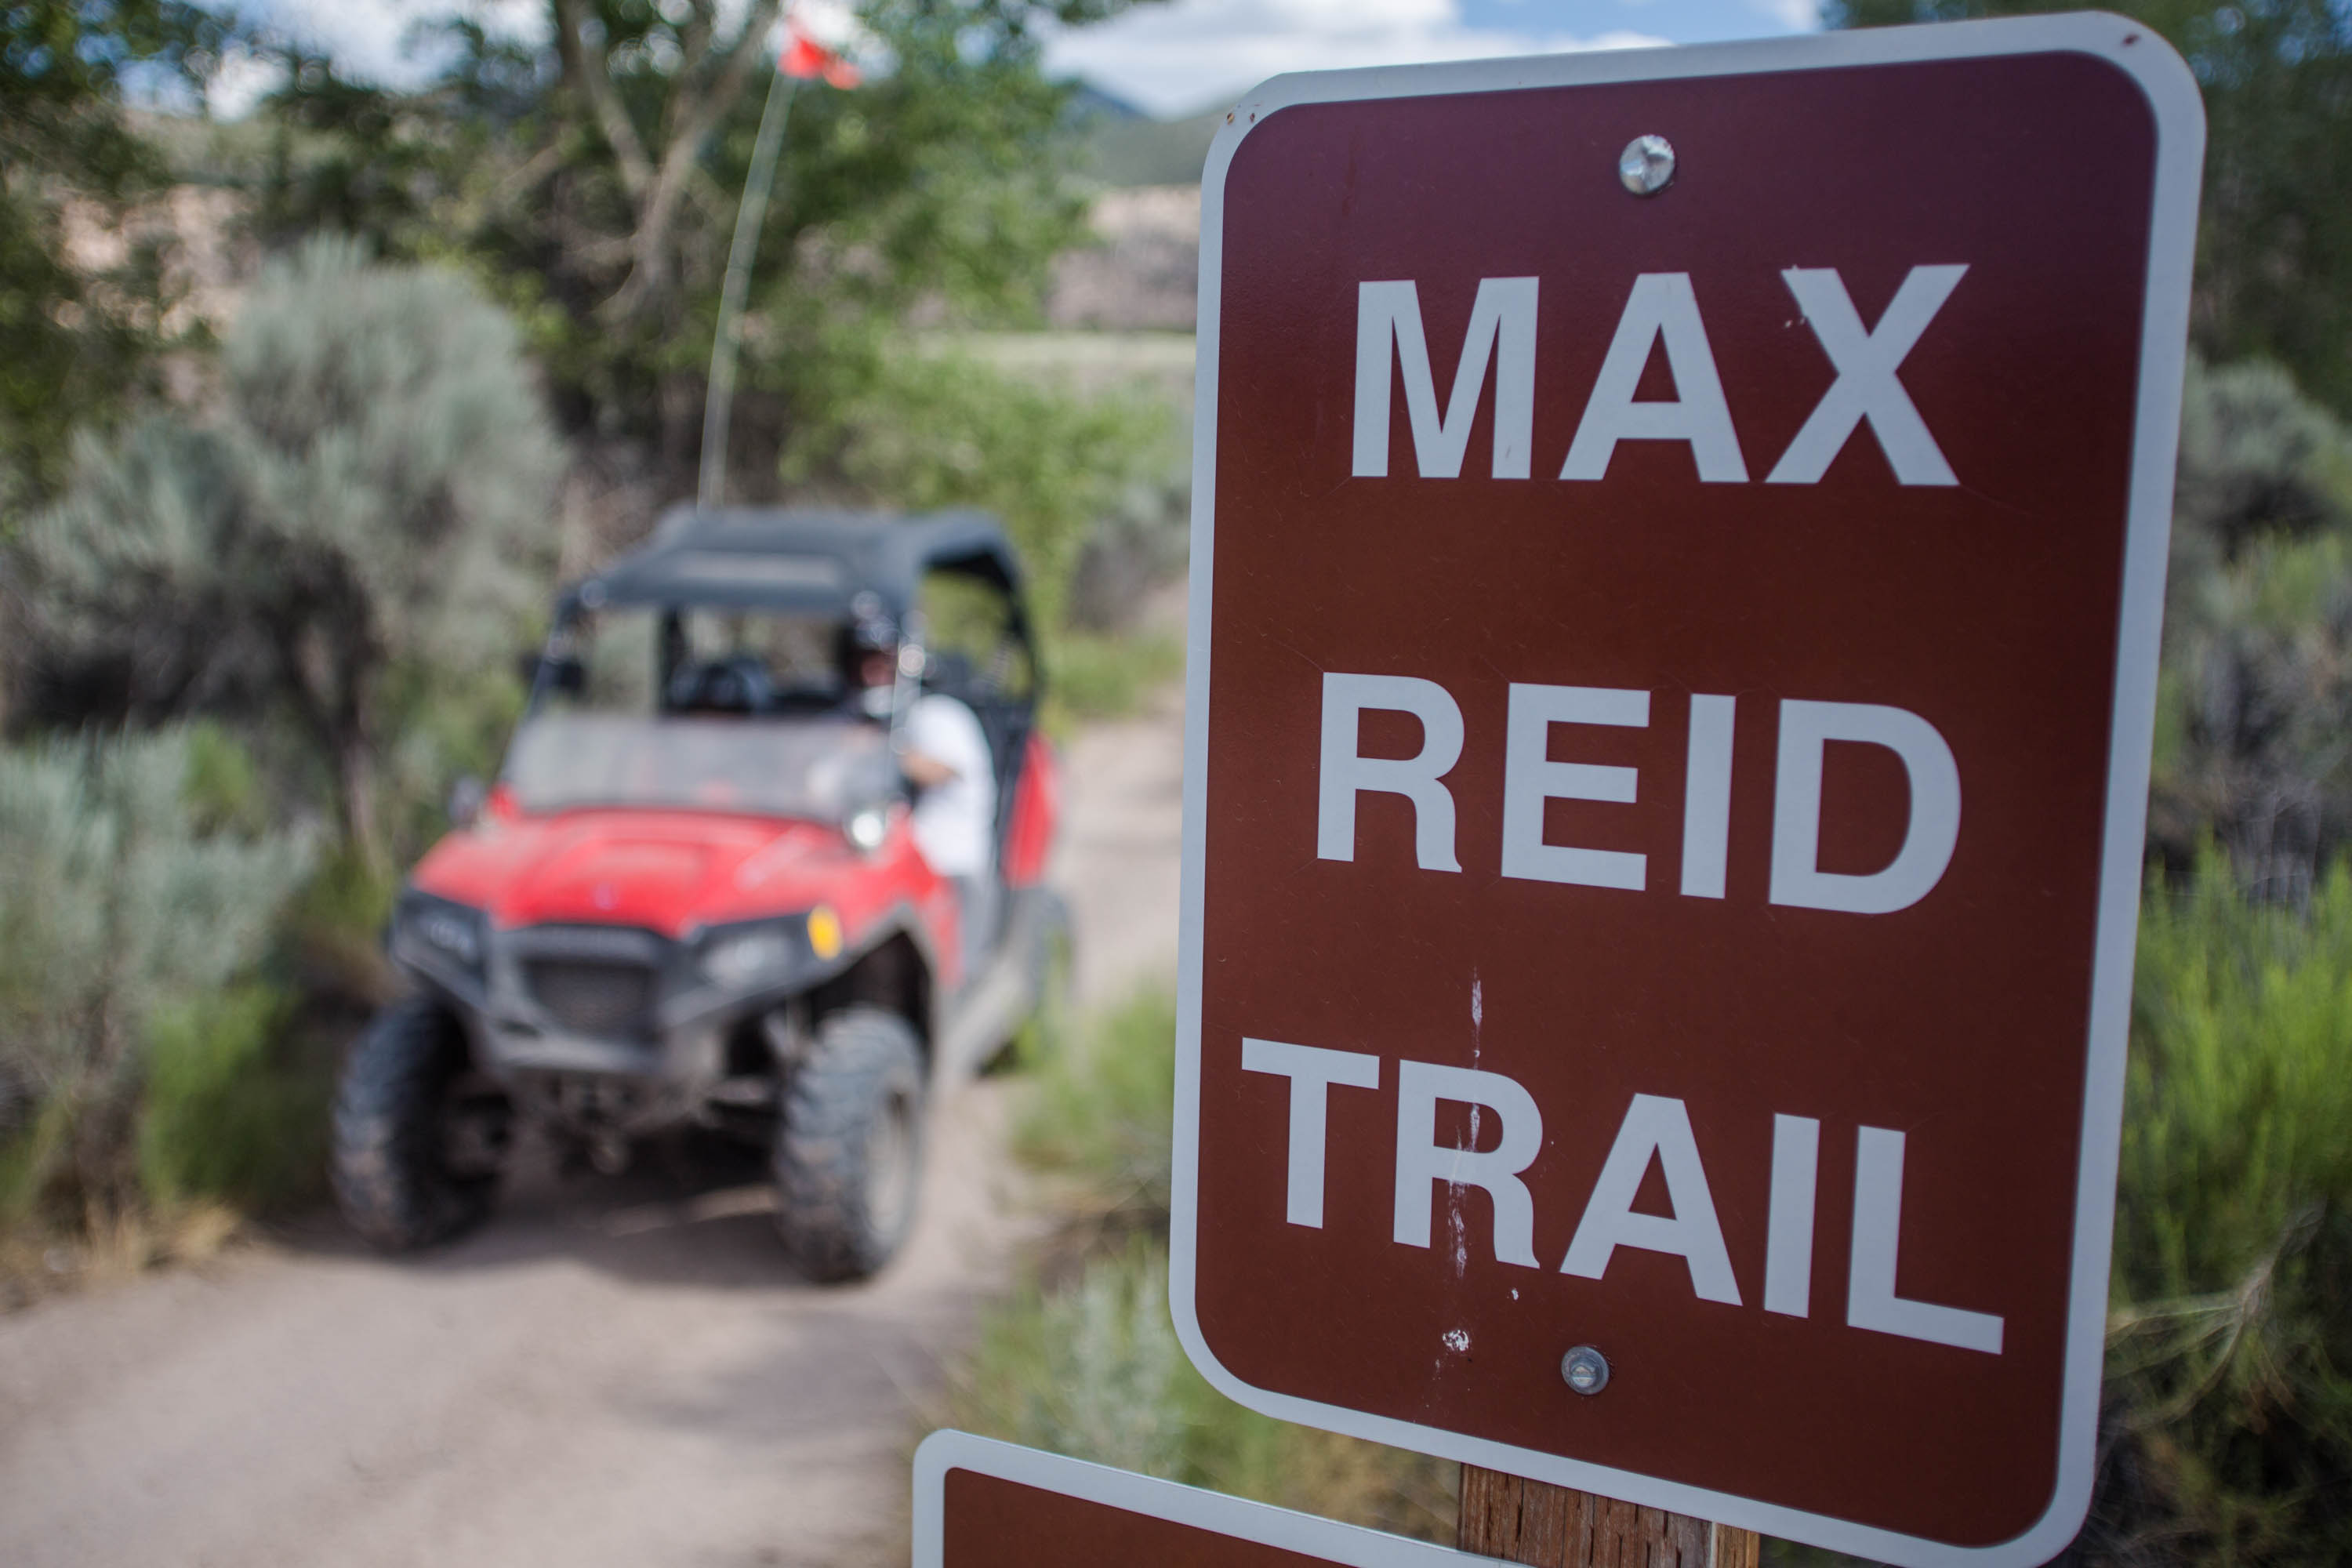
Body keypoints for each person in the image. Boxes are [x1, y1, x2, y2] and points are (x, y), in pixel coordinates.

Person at [840, 608, 996, 889]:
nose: (870, 674)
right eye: (863, 662)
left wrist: (875, 750)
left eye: (881, 662)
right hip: (901, 869)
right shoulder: (864, 718)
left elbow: (941, 770)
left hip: (949, 871)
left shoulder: (937, 714)